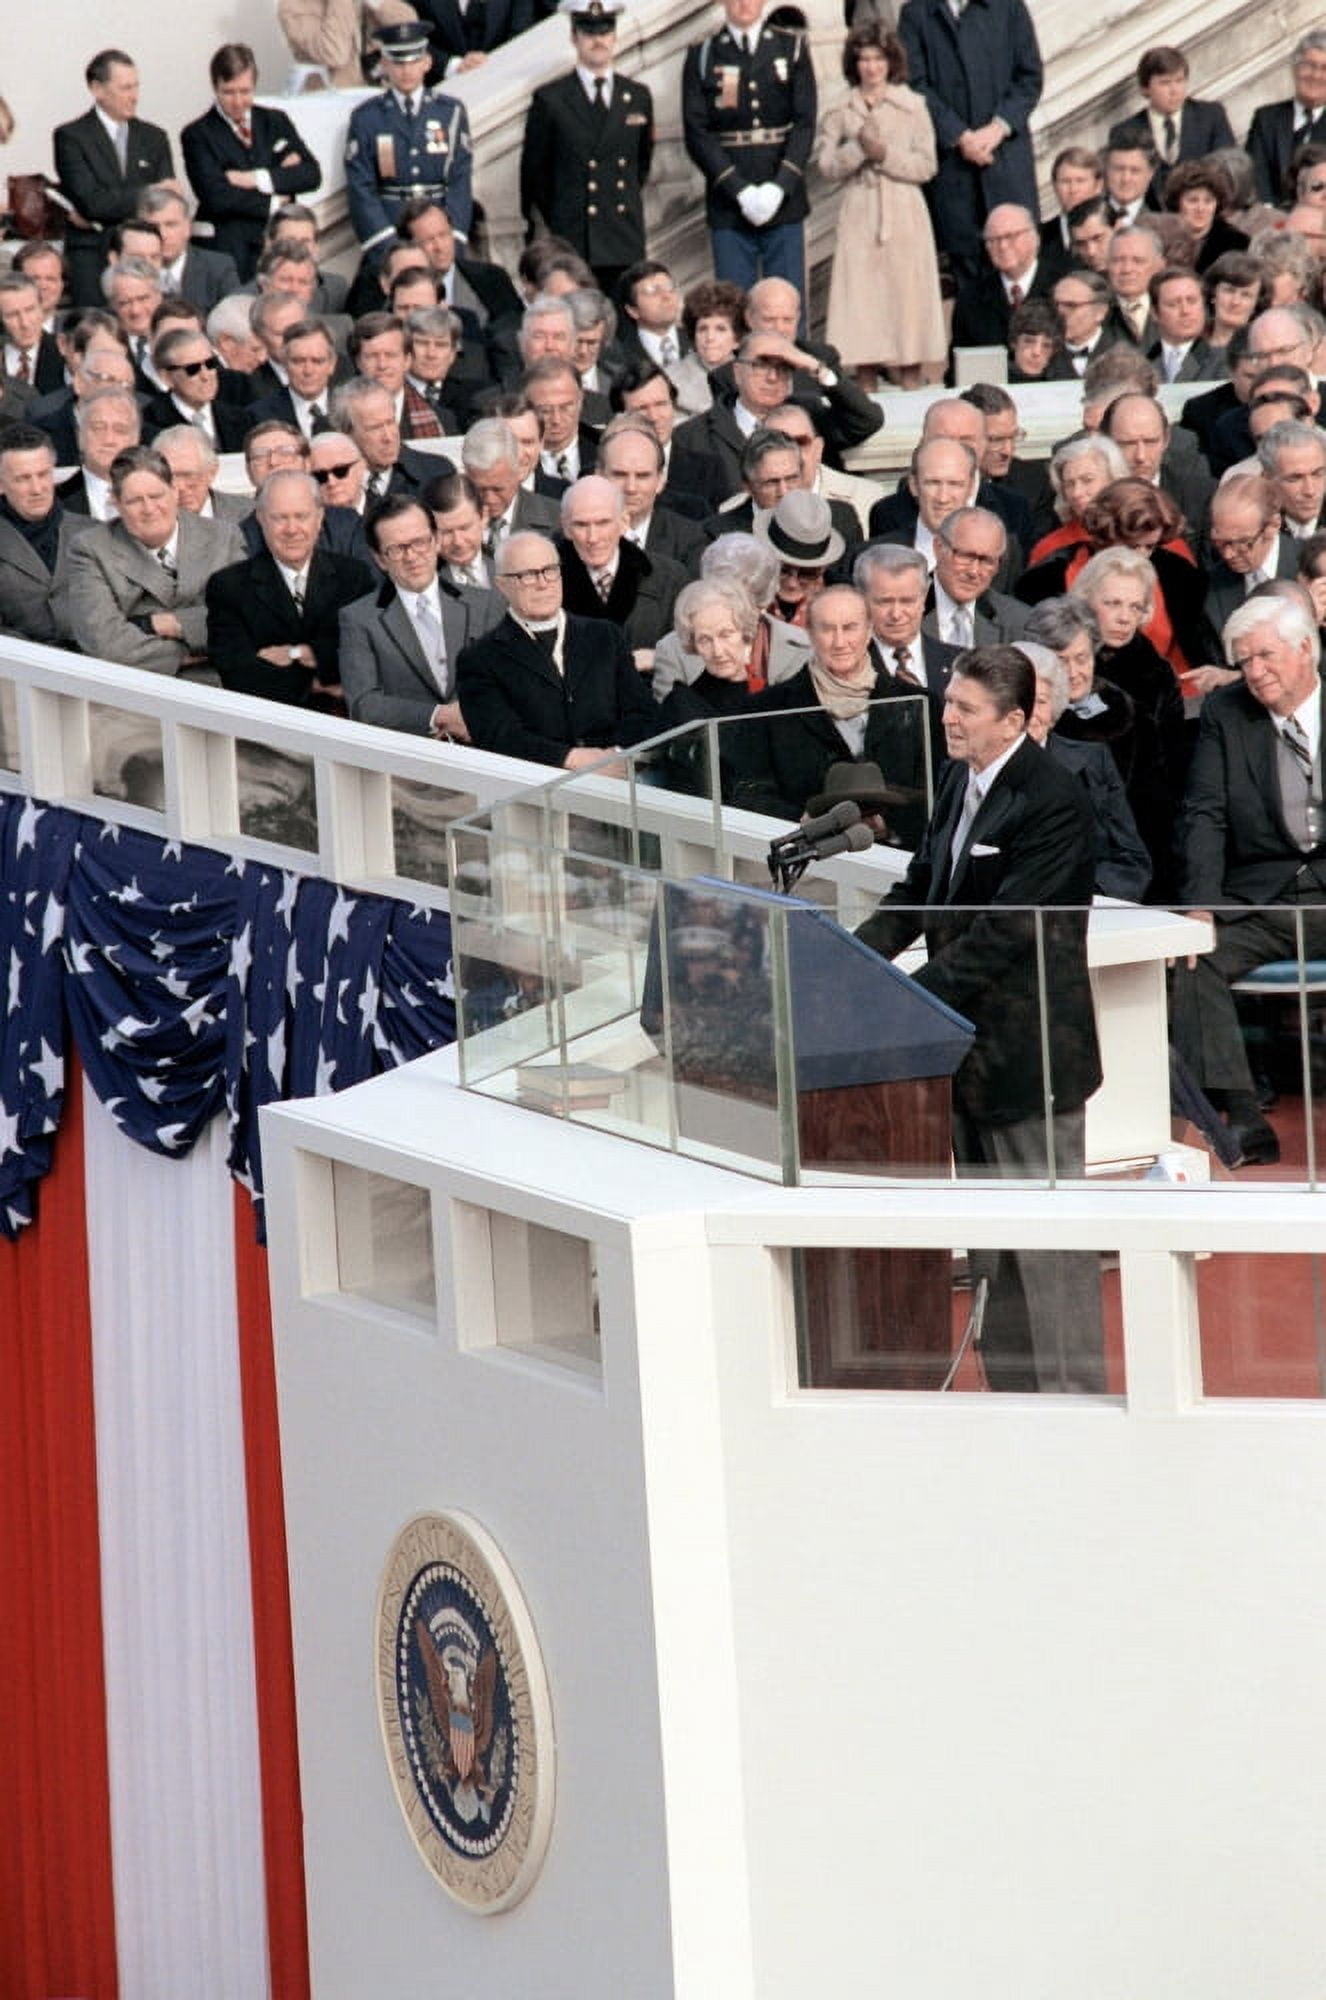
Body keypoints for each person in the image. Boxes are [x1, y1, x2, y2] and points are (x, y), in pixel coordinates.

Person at [856, 644, 1105, 1393]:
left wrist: (913, 997)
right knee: (995, 1249)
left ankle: (1075, 1407)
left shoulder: (1055, 799)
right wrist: (856, 957)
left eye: (965, 709)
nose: (948, 718)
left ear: (1016, 721)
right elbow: (922, 889)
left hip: (1030, 1061)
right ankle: (1016, 1401)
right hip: (962, 1054)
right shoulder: (958, 781)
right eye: (949, 703)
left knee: (1050, 1253)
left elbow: (1007, 932)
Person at [1170, 592, 1326, 1165]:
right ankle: (1243, 1116)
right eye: (1244, 660)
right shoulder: (1226, 711)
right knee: (1193, 957)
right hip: (1264, 896)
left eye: (1265, 656)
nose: (1254, 672)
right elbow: (1204, 811)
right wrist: (1201, 905)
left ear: (1306, 648)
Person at [732, 583, 929, 844]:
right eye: (827, 629)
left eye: (849, 628)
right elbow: (747, 794)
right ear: (810, 633)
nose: (839, 642)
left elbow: (936, 791)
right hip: (808, 862)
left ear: (869, 630)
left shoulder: (917, 703)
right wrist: (804, 823)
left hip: (898, 860)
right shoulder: (766, 710)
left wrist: (891, 825)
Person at [455, 528, 660, 765]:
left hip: (619, 775)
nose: (543, 584)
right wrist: (570, 759)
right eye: (528, 575)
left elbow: (641, 711)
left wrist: (614, 755)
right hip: (536, 787)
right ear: (502, 584)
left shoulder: (605, 635)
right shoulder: (480, 658)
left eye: (550, 571)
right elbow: (499, 737)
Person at [813, 24, 943, 391]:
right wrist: (858, 150)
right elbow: (826, 166)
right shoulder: (841, 108)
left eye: (878, 58)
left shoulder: (911, 105)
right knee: (863, 304)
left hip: (904, 211)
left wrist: (884, 154)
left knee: (908, 303)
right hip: (860, 209)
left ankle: (912, 388)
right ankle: (866, 391)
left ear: (891, 61)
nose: (871, 67)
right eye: (864, 58)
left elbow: (927, 164)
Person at [66, 444, 244, 676]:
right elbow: (105, 645)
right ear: (117, 503)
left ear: (174, 491)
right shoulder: (89, 549)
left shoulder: (224, 537)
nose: (149, 508)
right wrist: (183, 653)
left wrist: (160, 624)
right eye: (134, 501)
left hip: (224, 684)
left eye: (156, 495)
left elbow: (245, 623)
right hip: (134, 692)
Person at [896, 0, 1042, 281]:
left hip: (1006, 158)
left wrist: (998, 128)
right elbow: (913, 85)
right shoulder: (916, 14)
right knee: (968, 272)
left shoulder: (1008, 7)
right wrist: (959, 135)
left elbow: (1029, 77)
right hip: (953, 166)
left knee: (1021, 260)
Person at [681, 0, 816, 299]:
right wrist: (739, 189)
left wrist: (780, 186)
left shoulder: (789, 46)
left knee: (787, 306)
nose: (744, 3)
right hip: (729, 204)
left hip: (783, 201)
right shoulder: (703, 54)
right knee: (733, 307)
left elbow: (805, 123)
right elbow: (697, 132)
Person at [521, 0, 655, 303]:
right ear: (574, 37)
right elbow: (535, 175)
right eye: (588, 30)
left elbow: (640, 165)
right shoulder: (551, 99)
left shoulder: (637, 96)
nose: (598, 39)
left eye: (606, 30)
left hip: (623, 236)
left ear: (615, 36)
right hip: (576, 239)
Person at [205, 468, 375, 707]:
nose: (292, 529)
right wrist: (318, 683)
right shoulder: (228, 587)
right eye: (280, 518)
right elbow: (238, 674)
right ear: (260, 519)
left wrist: (300, 653)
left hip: (350, 722)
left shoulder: (354, 576)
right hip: (272, 729)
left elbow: (365, 654)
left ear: (319, 518)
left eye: (301, 516)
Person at [339, 493, 501, 735]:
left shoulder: (486, 603)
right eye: (396, 549)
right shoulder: (359, 618)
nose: (411, 556)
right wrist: (439, 716)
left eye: (420, 542)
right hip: (410, 759)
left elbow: (510, 680)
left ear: (436, 541)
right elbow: (364, 705)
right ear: (379, 559)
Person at [1021, 639, 1152, 901]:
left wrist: (1088, 897)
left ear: (1055, 705)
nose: (1031, 713)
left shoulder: (1093, 758)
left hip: (1089, 904)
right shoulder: (975, 766)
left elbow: (1131, 859)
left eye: (1042, 701)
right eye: (1022, 700)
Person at [181, 44, 322, 285]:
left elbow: (310, 174)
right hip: (231, 248)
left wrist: (255, 179)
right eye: (229, 92)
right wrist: (275, 199)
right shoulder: (197, 134)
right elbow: (216, 196)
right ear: (215, 87)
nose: (238, 101)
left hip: (278, 249)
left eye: (245, 91)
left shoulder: (274, 121)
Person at [345, 20, 473, 267]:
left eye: (414, 61)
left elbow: (460, 180)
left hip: (439, 227)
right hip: (393, 228)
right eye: (398, 62)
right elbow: (361, 186)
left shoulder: (450, 112)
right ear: (384, 64)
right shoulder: (367, 118)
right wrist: (385, 243)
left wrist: (453, 237)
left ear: (427, 62)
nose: (406, 70)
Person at [53, 49, 174, 308]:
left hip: (144, 257)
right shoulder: (71, 137)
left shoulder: (154, 138)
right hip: (91, 255)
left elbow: (165, 203)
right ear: (97, 89)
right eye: (125, 88)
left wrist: (107, 208)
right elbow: (91, 202)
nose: (135, 96)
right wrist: (147, 193)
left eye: (136, 86)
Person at [651, 531, 810, 699]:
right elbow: (672, 719)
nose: (740, 615)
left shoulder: (803, 645)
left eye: (748, 604)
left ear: (764, 599)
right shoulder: (673, 651)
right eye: (725, 603)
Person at [556, 472, 685, 667]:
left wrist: (658, 658)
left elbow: (693, 652)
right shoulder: (543, 580)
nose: (593, 537)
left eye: (603, 523)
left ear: (624, 522)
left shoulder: (670, 578)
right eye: (581, 525)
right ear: (565, 527)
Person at [0, 424, 95, 646]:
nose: (37, 488)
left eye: (43, 474)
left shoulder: (93, 533)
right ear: (1, 484)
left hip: (96, 666)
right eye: (23, 478)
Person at [1107, 45, 1234, 201]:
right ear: (1145, 89)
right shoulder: (1125, 131)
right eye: (1165, 83)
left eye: (1179, 81)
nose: (1174, 90)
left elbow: (1229, 173)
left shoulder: (1210, 116)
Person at [1246, 30, 1326, 205]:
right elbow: (1255, 180)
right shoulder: (1265, 120)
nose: (1316, 75)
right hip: (1272, 225)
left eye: (1324, 68)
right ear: (1295, 69)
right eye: (1309, 65)